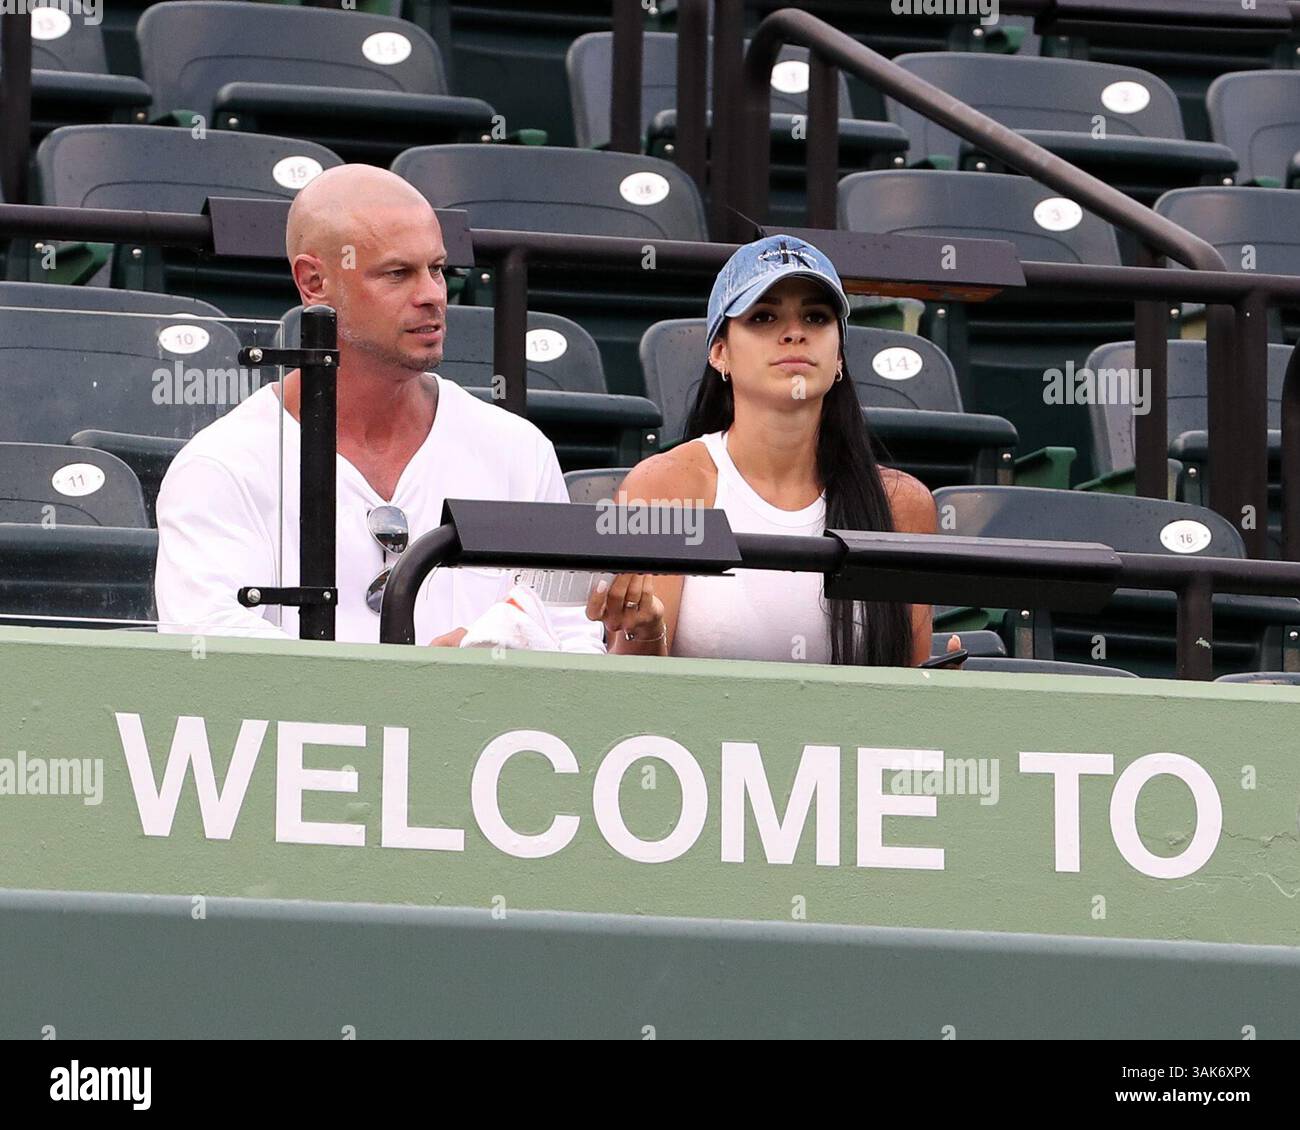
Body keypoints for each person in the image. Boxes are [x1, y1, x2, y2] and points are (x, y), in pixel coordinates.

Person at [154, 164, 603, 652]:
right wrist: (413, 690)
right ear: (313, 282)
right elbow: (210, 660)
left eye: (437, 268)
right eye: (397, 273)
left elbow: (575, 640)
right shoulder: (221, 465)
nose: (432, 295)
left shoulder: (520, 448)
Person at [587, 233, 960, 666]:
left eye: (816, 318)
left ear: (839, 356)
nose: (794, 334)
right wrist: (644, 632)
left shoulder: (902, 503)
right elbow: (634, 694)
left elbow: (909, 699)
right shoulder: (666, 484)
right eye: (764, 317)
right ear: (720, 352)